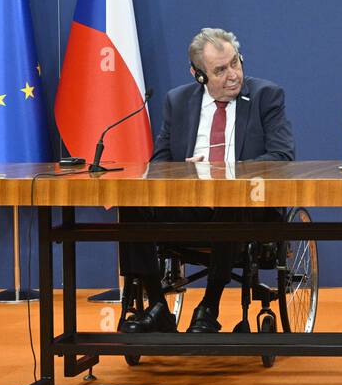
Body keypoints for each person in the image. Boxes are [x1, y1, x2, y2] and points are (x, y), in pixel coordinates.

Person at [118, 28, 295, 334]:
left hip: (243, 206)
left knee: (231, 198)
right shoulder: (178, 101)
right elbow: (159, 163)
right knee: (132, 201)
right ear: (198, 75)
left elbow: (281, 157)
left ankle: (209, 307)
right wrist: (181, 172)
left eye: (235, 63)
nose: (233, 76)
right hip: (188, 204)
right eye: (220, 70)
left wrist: (225, 171)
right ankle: (157, 304)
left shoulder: (267, 96)